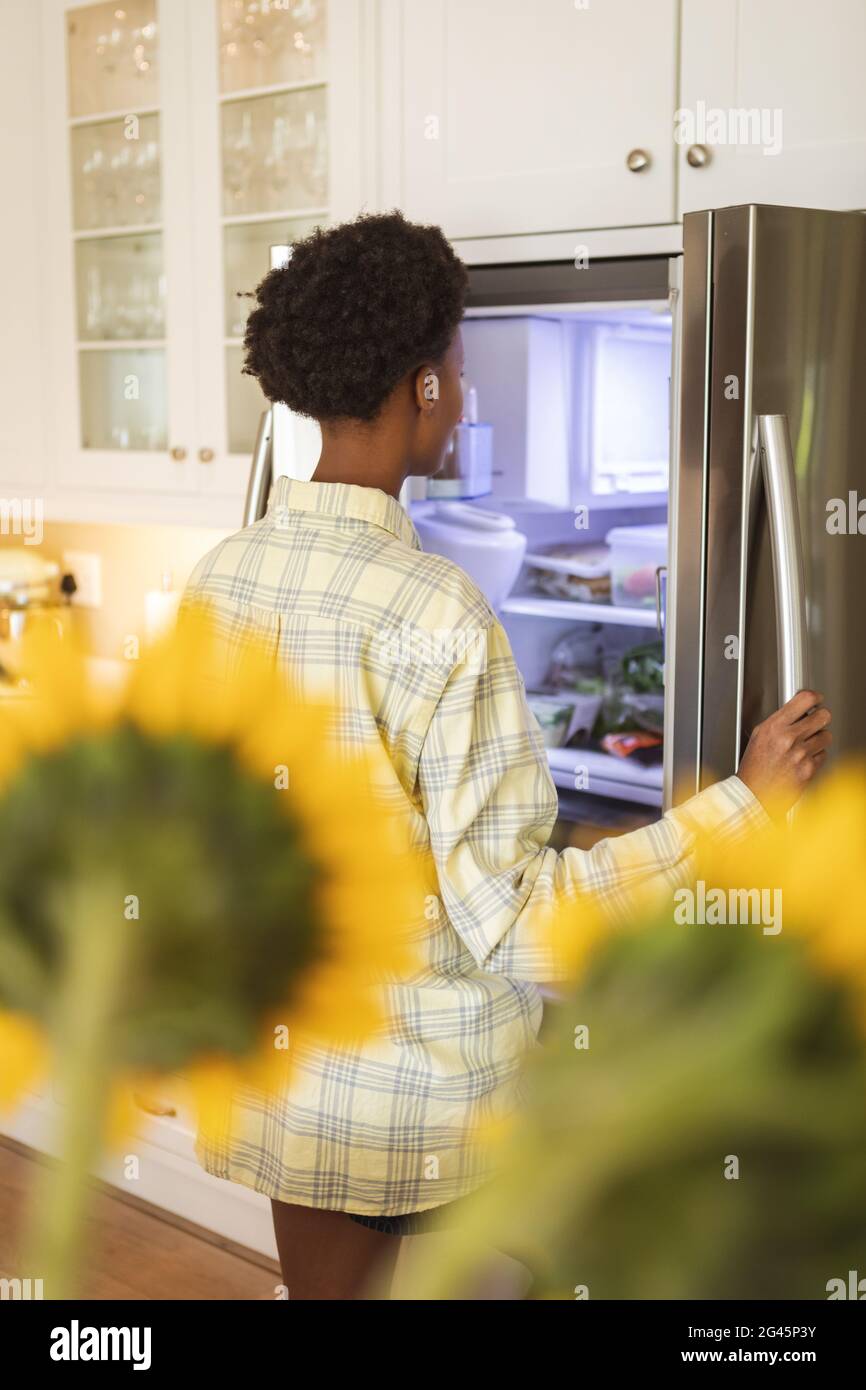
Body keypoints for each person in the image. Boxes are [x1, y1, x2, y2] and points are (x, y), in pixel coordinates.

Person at [183, 211, 832, 1299]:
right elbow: (524, 924)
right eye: (457, 365)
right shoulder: (438, 608)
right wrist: (742, 805)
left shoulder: (218, 578)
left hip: (287, 1072)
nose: (465, 393)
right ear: (420, 388)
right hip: (426, 1096)